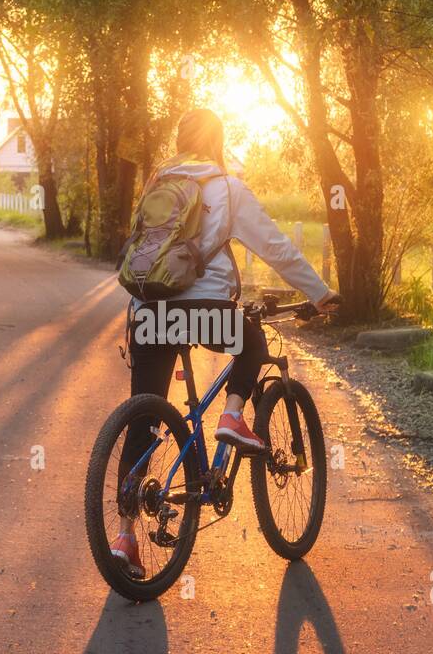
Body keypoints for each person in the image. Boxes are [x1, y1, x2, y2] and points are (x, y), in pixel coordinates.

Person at [111, 108, 340, 578]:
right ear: (217, 142)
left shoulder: (156, 186)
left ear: (180, 141)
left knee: (145, 414)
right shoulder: (228, 189)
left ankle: (124, 535)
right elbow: (275, 247)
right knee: (252, 343)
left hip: (148, 313)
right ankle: (233, 415)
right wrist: (319, 293)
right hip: (208, 313)